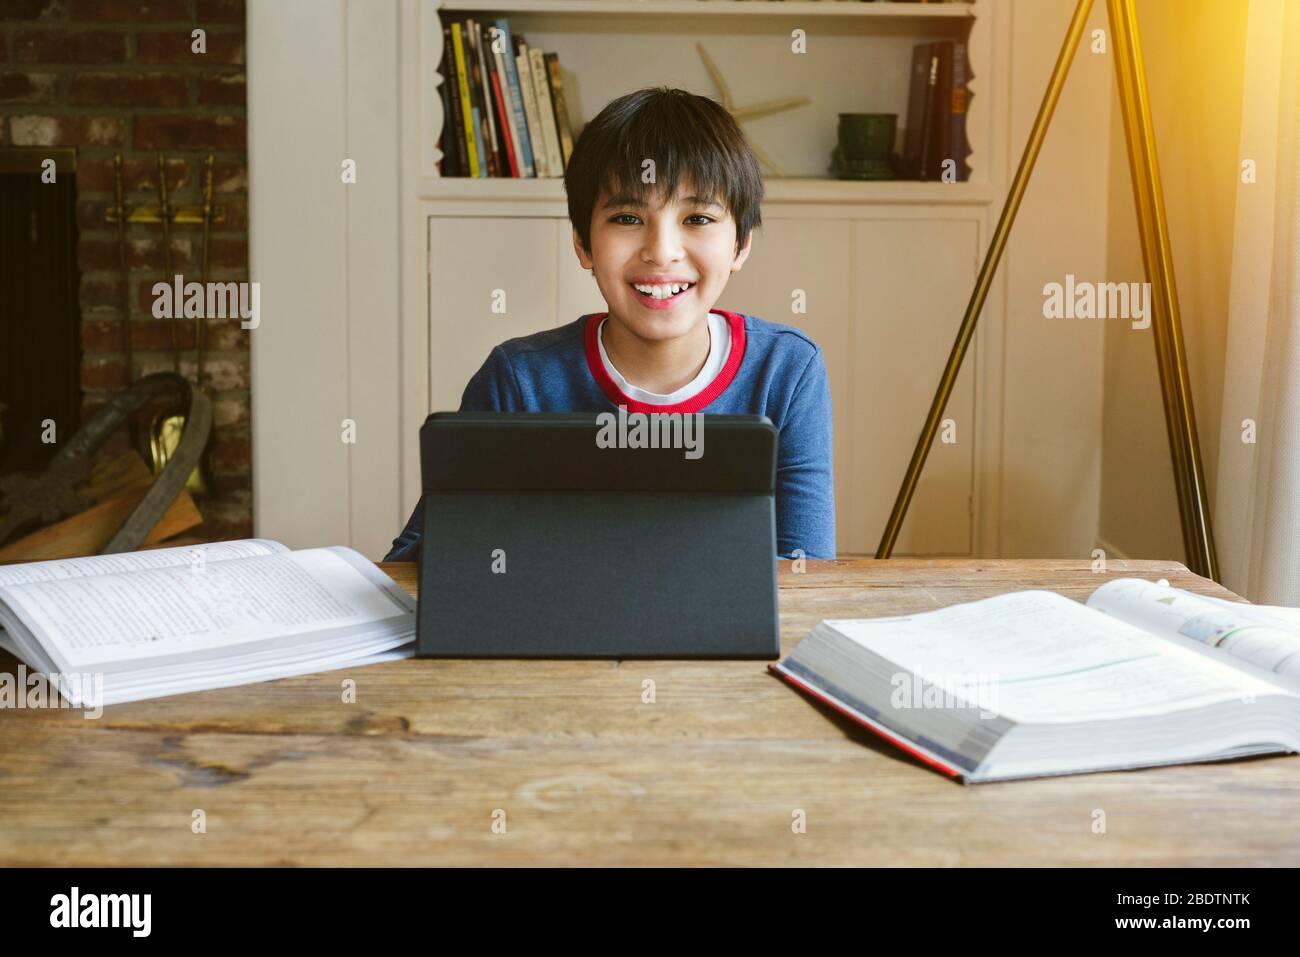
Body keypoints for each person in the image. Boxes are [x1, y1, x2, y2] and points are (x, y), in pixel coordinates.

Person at [386, 87, 834, 561]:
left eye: (698, 218)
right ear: (582, 243)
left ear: (741, 244)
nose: (661, 251)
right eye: (627, 217)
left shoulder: (787, 370)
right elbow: (412, 559)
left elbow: (807, 569)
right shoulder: (520, 378)